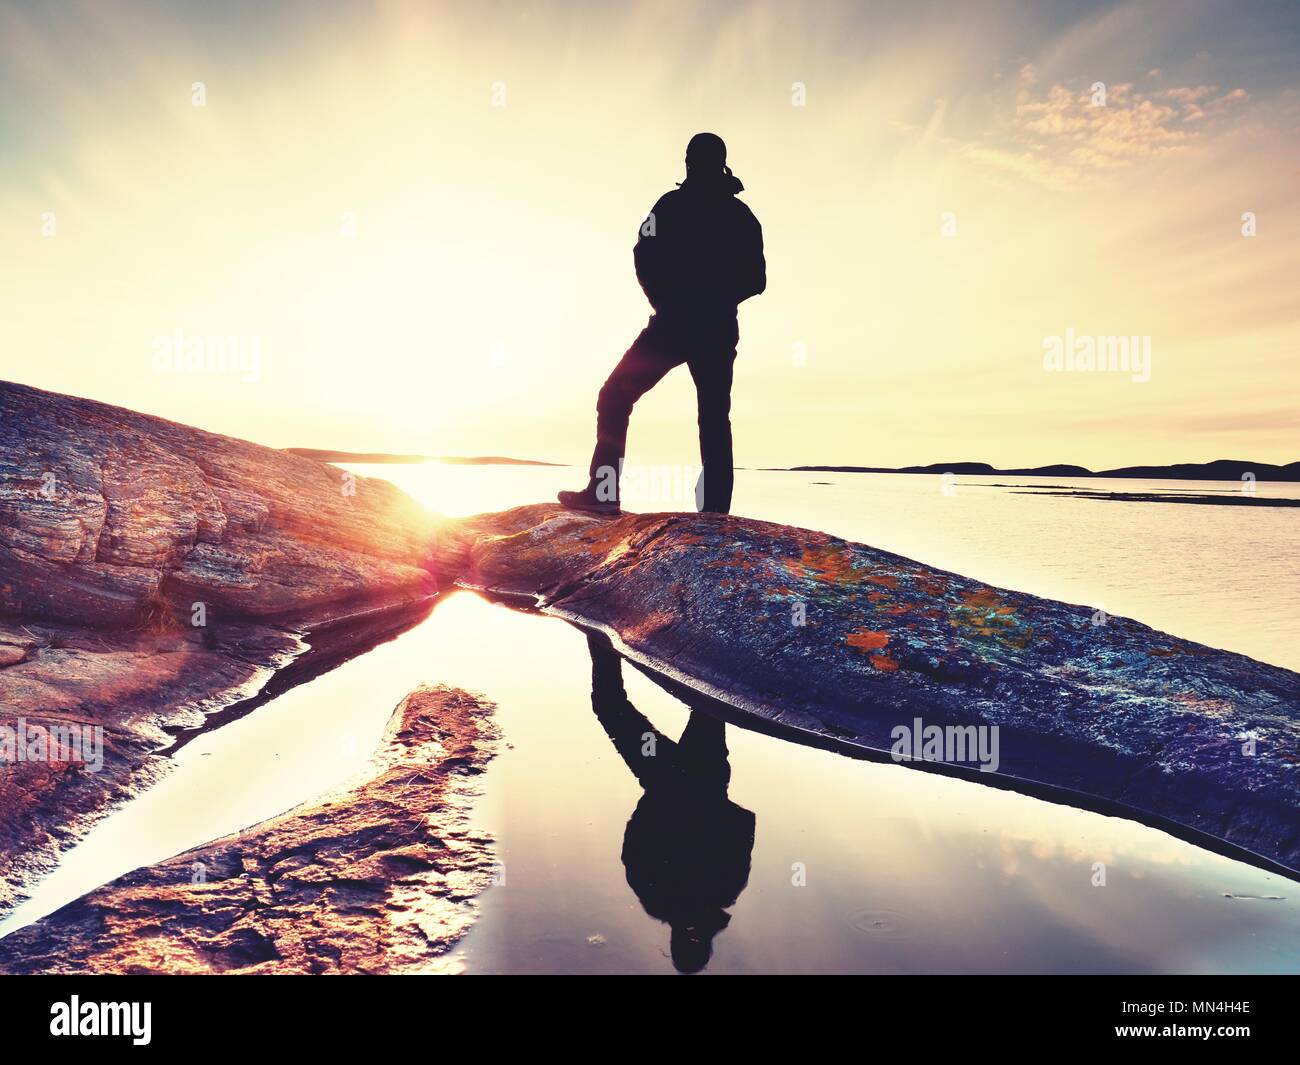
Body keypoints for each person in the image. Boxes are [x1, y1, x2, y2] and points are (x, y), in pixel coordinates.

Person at [558, 132, 766, 516]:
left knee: (619, 398)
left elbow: (755, 279)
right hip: (699, 326)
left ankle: (612, 497)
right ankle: (713, 511)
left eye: (694, 158)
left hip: (683, 325)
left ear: (697, 162)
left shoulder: (690, 209)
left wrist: (678, 300)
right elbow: (645, 252)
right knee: (709, 417)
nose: (691, 164)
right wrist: (679, 301)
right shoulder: (729, 215)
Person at [584, 632, 756, 974]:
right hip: (670, 778)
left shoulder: (718, 892)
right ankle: (606, 634)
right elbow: (633, 846)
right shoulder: (669, 897)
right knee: (618, 707)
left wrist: (687, 804)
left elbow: (743, 828)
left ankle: (606, 631)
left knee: (702, 706)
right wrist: (660, 803)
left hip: (691, 779)